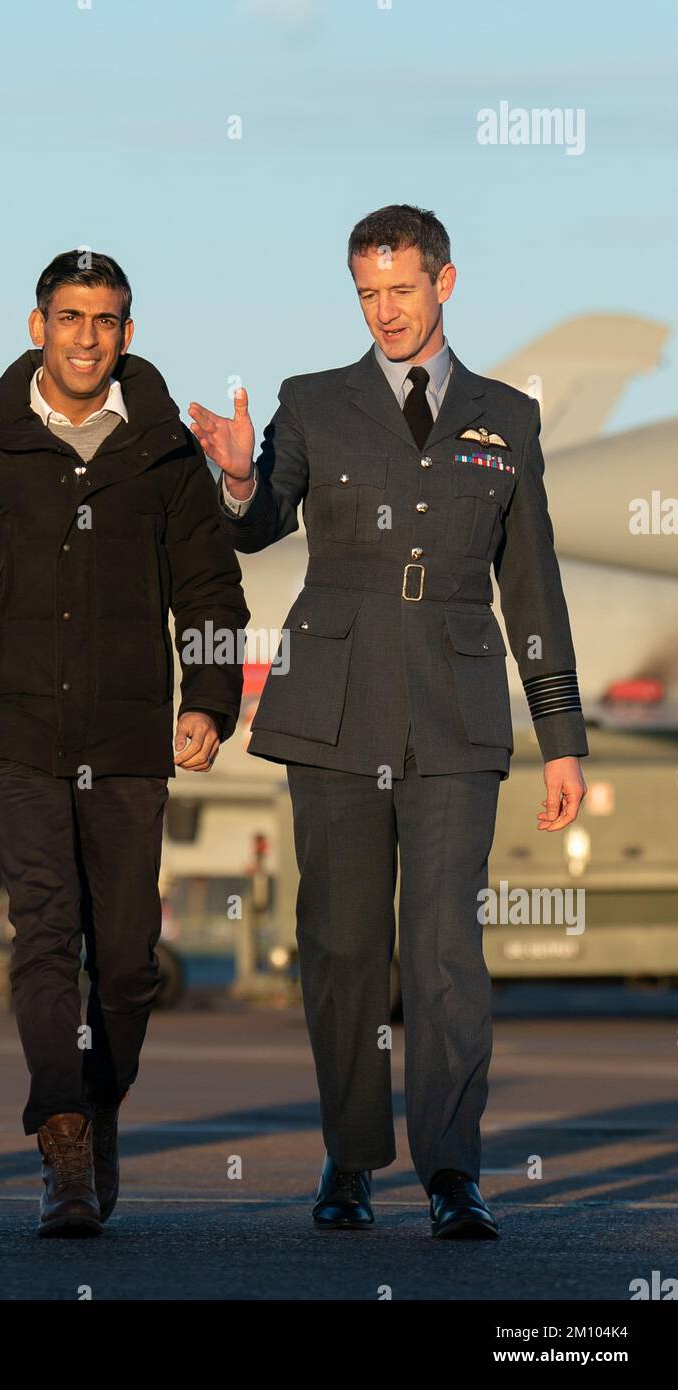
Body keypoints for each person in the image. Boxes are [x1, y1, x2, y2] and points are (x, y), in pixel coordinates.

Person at [188, 205, 588, 1238]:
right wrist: (236, 476)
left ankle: (453, 1172)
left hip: (455, 716)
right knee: (342, 946)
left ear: (444, 283)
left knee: (447, 948)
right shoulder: (313, 404)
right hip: (332, 708)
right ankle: (352, 1157)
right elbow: (259, 521)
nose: (385, 312)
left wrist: (563, 738)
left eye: (401, 290)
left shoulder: (508, 415)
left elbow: (532, 585)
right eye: (367, 294)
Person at [0, 250, 250, 1237]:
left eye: (106, 319)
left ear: (127, 333)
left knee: (128, 958)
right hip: (12, 735)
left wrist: (210, 698)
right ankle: (60, 1134)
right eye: (69, 316)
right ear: (36, 325)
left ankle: (96, 1109)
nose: (87, 336)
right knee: (45, 928)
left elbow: (211, 593)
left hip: (131, 740)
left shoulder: (168, 452)